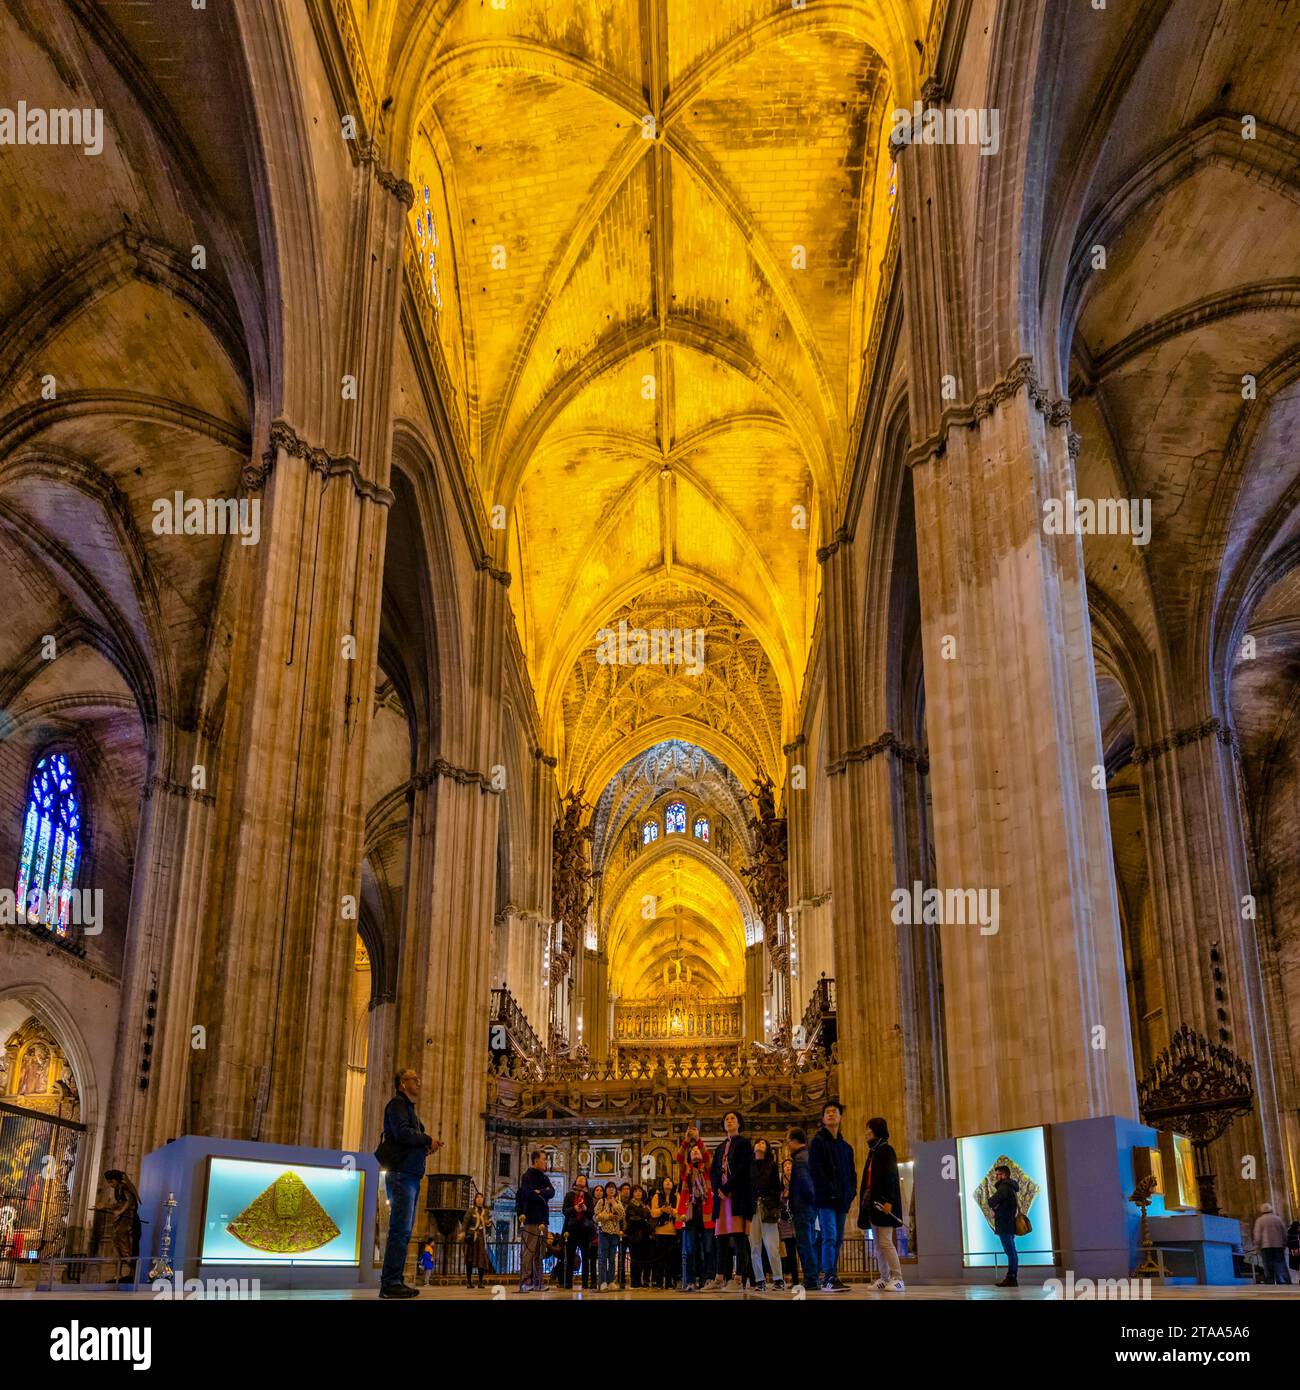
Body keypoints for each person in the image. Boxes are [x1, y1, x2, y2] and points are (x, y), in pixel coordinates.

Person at [379, 1068, 443, 1299]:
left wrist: (425, 1148)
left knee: (403, 1230)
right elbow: (402, 1134)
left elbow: (408, 1137)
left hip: (410, 1173)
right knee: (399, 1229)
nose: (419, 1081)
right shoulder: (396, 1105)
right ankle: (390, 1283)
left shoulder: (409, 1110)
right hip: (401, 1174)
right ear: (403, 1083)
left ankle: (395, 1280)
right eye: (414, 1079)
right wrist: (427, 1140)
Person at [809, 1101, 856, 1292]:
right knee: (829, 1236)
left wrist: (850, 1193)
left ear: (840, 1117)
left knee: (838, 1239)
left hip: (842, 1200)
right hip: (826, 1199)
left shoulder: (847, 1147)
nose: (831, 1114)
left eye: (834, 1112)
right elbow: (816, 1171)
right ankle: (828, 1276)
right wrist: (830, 1191)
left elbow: (852, 1174)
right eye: (827, 1112)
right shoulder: (818, 1143)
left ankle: (833, 1275)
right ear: (822, 1119)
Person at [859, 1116, 905, 1292]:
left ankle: (898, 1278)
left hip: (883, 1204)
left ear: (876, 1131)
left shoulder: (886, 1150)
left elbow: (891, 1177)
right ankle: (884, 1278)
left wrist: (888, 1201)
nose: (865, 1133)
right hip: (873, 1204)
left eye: (868, 1130)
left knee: (886, 1242)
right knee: (878, 1244)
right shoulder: (873, 1152)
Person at [710, 1110, 755, 1288]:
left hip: (737, 1197)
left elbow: (743, 1169)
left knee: (739, 1239)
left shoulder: (744, 1143)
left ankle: (739, 1278)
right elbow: (714, 1171)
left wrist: (727, 1188)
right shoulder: (720, 1147)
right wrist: (718, 1189)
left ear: (739, 1123)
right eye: (726, 1118)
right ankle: (719, 1277)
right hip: (722, 1198)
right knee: (720, 1239)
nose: (729, 1121)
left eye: (732, 1118)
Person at [675, 1125, 715, 1291]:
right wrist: (686, 1141)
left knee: (708, 1249)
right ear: (690, 1157)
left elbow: (707, 1156)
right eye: (693, 1152)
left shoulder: (707, 1170)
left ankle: (707, 1279)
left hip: (706, 1213)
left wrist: (698, 1139)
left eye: (697, 1151)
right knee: (691, 1250)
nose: (696, 1152)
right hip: (690, 1214)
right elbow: (678, 1158)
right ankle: (691, 1281)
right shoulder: (686, 1172)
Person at [785, 1126, 819, 1290]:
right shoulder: (808, 1155)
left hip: (803, 1208)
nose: (787, 1145)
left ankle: (811, 1280)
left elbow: (807, 1185)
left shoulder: (800, 1158)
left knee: (805, 1244)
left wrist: (809, 1202)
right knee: (809, 1242)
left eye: (788, 1141)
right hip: (808, 1208)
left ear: (793, 1141)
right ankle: (812, 1278)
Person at [748, 1137, 784, 1291]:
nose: (760, 1144)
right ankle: (759, 1280)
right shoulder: (748, 1166)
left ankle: (778, 1279)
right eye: (758, 1142)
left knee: (771, 1245)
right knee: (754, 1247)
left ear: (767, 1149)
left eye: (764, 1143)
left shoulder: (772, 1165)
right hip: (752, 1208)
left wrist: (774, 1206)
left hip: (768, 1207)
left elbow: (777, 1188)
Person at [516, 1149, 555, 1293]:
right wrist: (541, 1193)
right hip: (531, 1219)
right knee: (529, 1252)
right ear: (536, 1160)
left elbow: (552, 1192)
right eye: (544, 1159)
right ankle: (526, 1282)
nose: (546, 1162)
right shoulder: (527, 1176)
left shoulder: (544, 1178)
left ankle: (538, 1283)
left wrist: (541, 1192)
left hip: (543, 1220)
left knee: (540, 1254)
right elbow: (528, 1194)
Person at [95, 1170, 141, 1284]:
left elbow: (130, 1201)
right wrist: (104, 1206)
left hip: (127, 1222)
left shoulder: (124, 1187)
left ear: (116, 1180)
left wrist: (120, 1211)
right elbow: (118, 1204)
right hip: (120, 1221)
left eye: (111, 1182)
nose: (110, 1185)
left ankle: (132, 1272)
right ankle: (118, 1273)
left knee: (126, 1245)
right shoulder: (117, 1190)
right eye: (109, 1183)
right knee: (116, 1244)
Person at [562, 1173, 597, 1289]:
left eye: (584, 1179)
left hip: (584, 1230)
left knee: (586, 1258)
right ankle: (567, 1283)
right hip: (571, 1229)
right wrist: (574, 1209)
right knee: (570, 1257)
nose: (582, 1180)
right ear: (575, 1181)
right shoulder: (569, 1195)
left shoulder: (588, 1197)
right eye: (580, 1178)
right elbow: (564, 1211)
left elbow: (592, 1213)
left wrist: (586, 1209)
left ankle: (585, 1283)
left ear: (586, 1183)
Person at [988, 1163, 1020, 1287]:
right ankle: (1012, 1277)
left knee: (1010, 1251)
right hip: (1009, 1223)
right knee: (1011, 1250)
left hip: (1004, 1223)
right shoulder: (1010, 1187)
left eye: (998, 1174)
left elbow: (992, 1201)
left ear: (1004, 1175)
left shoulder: (1004, 1187)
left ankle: (1011, 1277)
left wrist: (996, 1206)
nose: (996, 1177)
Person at [595, 1180, 625, 1291]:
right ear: (605, 1190)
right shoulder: (601, 1202)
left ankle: (611, 1281)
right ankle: (602, 1282)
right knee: (603, 1259)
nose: (611, 1189)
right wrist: (608, 1216)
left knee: (612, 1259)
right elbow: (596, 1216)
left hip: (615, 1233)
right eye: (609, 1187)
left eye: (613, 1188)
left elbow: (622, 1215)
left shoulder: (618, 1202)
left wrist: (614, 1204)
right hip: (604, 1232)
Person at [651, 1174, 678, 1288]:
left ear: (672, 1185)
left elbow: (679, 1212)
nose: (668, 1183)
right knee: (660, 1258)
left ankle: (669, 1282)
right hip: (660, 1231)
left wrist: (671, 1211)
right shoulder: (657, 1196)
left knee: (671, 1259)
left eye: (670, 1181)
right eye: (665, 1181)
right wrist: (662, 1210)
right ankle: (658, 1281)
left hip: (672, 1231)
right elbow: (653, 1212)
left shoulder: (677, 1196)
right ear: (662, 1184)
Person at [625, 1184, 653, 1288]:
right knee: (635, 1259)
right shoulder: (631, 1205)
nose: (638, 1193)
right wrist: (644, 1221)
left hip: (644, 1235)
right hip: (635, 1236)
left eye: (640, 1191)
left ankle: (640, 1281)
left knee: (642, 1259)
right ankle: (634, 1281)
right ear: (632, 1193)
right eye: (636, 1191)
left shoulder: (644, 1205)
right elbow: (632, 1219)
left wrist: (645, 1221)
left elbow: (649, 1218)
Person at [1253, 1203, 1289, 1284]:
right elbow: (1284, 1232)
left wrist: (1257, 1247)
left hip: (1266, 1247)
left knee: (1268, 1266)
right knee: (1280, 1265)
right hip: (1278, 1246)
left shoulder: (1260, 1220)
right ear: (1271, 1209)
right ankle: (1283, 1282)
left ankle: (1271, 1283)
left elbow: (1257, 1235)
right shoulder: (1278, 1219)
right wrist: (1284, 1243)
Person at [463, 1191, 493, 1289]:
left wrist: (488, 1225)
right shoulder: (470, 1211)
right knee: (470, 1259)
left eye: (481, 1197)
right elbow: (465, 1222)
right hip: (472, 1238)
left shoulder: (486, 1211)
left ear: (483, 1200)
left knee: (481, 1261)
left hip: (481, 1239)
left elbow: (488, 1227)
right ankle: (469, 1281)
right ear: (475, 1200)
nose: (479, 1199)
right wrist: (463, 1232)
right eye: (478, 1197)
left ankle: (480, 1282)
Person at [778, 1156, 800, 1285]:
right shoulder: (781, 1186)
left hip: (797, 1221)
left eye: (789, 1164)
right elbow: (778, 1201)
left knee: (802, 1251)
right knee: (790, 1253)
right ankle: (795, 1280)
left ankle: (809, 1276)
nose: (787, 1166)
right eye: (785, 1165)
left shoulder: (798, 1183)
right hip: (786, 1223)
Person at [617, 1180, 634, 1287]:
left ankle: (634, 1280)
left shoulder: (633, 1203)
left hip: (631, 1234)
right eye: (624, 1189)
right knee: (621, 1258)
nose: (626, 1191)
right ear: (620, 1191)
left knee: (633, 1258)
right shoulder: (617, 1203)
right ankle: (621, 1280)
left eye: (628, 1189)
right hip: (620, 1233)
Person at [1287, 1218, 1300, 1283]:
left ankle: (1298, 1278)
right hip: (1296, 1252)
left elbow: (1287, 1243)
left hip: (1293, 1253)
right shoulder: (1297, 1233)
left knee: (1296, 1266)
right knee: (1297, 1266)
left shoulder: (1289, 1233)